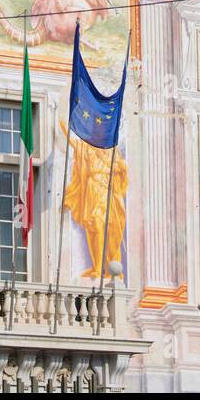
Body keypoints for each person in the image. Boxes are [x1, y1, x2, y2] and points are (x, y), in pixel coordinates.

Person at [60, 118, 127, 280]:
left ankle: (108, 265)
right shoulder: (86, 148)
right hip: (92, 189)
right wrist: (64, 123)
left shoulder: (113, 151)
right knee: (95, 227)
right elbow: (73, 143)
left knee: (109, 230)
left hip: (107, 192)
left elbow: (122, 172)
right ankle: (98, 267)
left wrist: (121, 169)